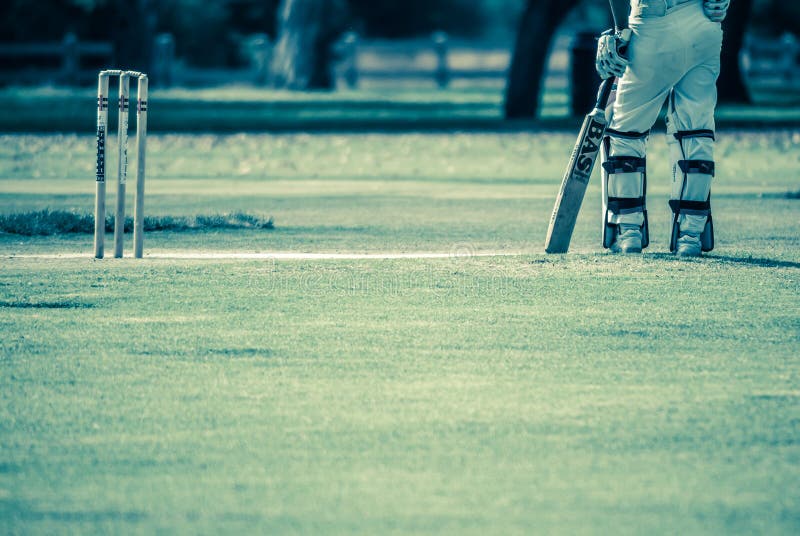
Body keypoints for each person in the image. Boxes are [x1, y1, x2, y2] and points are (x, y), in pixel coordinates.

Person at [595, 0, 729, 257]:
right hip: (705, 27)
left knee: (627, 131)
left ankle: (629, 230)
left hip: (652, 23)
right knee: (695, 129)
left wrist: (619, 31)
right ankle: (691, 235)